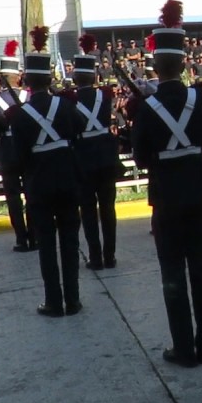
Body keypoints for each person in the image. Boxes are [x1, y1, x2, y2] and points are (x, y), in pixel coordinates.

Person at [131, 0, 202, 367]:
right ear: (184, 64)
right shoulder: (201, 99)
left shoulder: (145, 108)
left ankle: (183, 348)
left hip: (166, 199)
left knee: (173, 275)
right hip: (198, 194)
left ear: (155, 66)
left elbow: (140, 158)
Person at [11, 28, 84, 316]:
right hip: (67, 178)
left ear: (27, 81)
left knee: (47, 245)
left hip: (39, 183)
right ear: (49, 79)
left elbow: (19, 156)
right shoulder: (65, 105)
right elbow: (79, 129)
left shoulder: (21, 115)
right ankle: (73, 299)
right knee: (70, 242)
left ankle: (54, 301)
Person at [72, 35, 121, 270]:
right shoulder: (104, 95)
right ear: (93, 76)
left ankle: (95, 256)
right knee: (108, 208)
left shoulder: (69, 99)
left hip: (83, 157)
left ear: (75, 77)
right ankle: (110, 255)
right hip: (105, 155)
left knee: (89, 210)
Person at [0, 41, 35, 253]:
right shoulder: (29, 97)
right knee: (32, 194)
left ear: (1, 77)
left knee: (13, 198)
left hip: (7, 150)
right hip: (28, 150)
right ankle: (34, 236)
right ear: (18, 77)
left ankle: (21, 239)